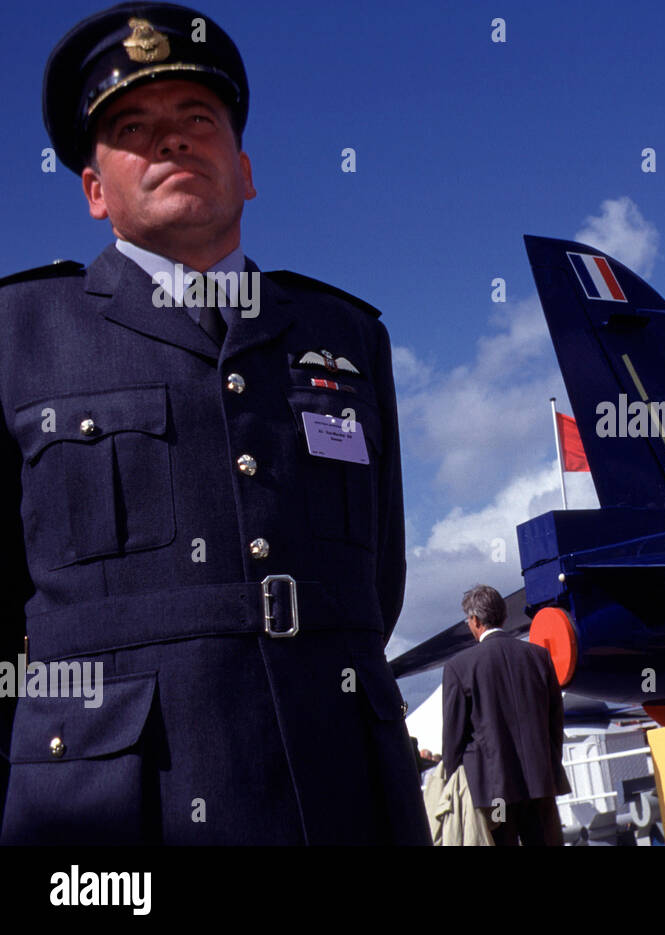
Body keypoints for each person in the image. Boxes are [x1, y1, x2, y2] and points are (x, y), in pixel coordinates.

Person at [0, 3, 428, 844]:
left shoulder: (343, 334)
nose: (171, 139)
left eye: (198, 118)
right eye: (132, 127)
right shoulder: (18, 336)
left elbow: (379, 577)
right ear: (93, 191)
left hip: (343, 790)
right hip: (114, 812)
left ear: (245, 167)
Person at [441, 585, 570, 846]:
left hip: (490, 789)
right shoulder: (538, 657)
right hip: (540, 781)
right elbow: (555, 722)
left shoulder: (458, 667)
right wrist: (548, 762)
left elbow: (453, 739)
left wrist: (454, 777)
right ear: (503, 615)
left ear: (475, 621)